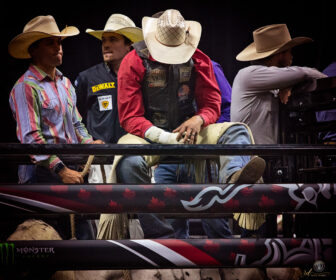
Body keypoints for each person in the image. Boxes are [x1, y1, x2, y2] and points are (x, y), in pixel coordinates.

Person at [112, 9, 266, 239]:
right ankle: (160, 234)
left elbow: (213, 103)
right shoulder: (133, 61)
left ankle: (234, 180)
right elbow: (129, 116)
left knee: (236, 131)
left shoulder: (199, 58)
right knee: (127, 162)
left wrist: (199, 119)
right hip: (149, 137)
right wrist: (165, 138)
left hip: (191, 133)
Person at [8, 15, 103, 240]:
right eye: (50, 42)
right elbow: (31, 138)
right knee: (47, 239)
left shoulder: (65, 83)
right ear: (34, 50)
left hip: (70, 169)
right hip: (44, 173)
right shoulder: (25, 87)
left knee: (82, 236)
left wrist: (90, 144)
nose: (58, 48)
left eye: (59, 42)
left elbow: (76, 123)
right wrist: (61, 170)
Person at [231, 23, 327, 236]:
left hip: (267, 159)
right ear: (279, 54)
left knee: (266, 224)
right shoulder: (250, 74)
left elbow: (314, 80)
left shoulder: (264, 79)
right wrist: (291, 80)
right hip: (251, 159)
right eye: (289, 51)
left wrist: (289, 85)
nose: (292, 56)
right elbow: (310, 74)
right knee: (257, 226)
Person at [153, 60, 233, 239]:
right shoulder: (155, 68)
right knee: (173, 227)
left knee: (215, 222)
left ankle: (225, 264)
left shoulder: (207, 65)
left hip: (203, 155)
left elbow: (226, 108)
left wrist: (203, 125)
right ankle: (178, 266)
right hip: (168, 156)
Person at [74, 14, 143, 183]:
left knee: (136, 206)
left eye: (113, 39)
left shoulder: (142, 76)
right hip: (99, 161)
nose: (106, 45)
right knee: (103, 208)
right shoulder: (87, 78)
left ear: (129, 45)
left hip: (134, 158)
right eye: (104, 40)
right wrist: (86, 144)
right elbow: (74, 117)